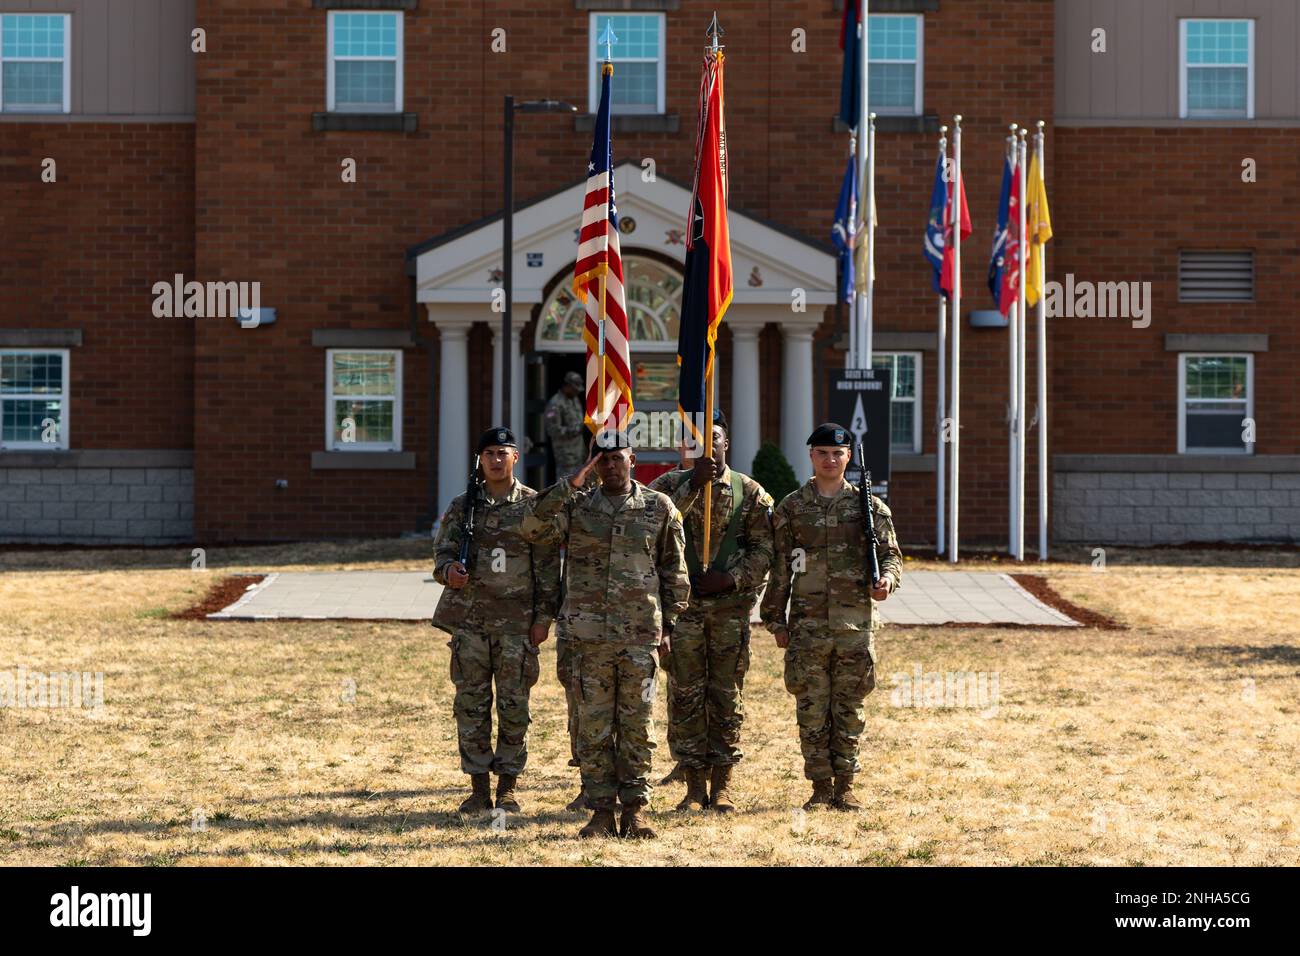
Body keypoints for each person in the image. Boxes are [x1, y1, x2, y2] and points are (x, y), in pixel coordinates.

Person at [519, 430, 690, 839]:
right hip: (587, 638)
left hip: (639, 638)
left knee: (637, 726)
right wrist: (570, 485)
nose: (611, 467)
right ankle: (599, 811)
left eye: (618, 458)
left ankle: (635, 810)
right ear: (592, 463)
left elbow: (675, 573)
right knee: (593, 728)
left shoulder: (657, 507)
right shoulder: (576, 507)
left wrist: (669, 627)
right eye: (602, 460)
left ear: (633, 459)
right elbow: (530, 527)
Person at [760, 422, 903, 812]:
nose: (830, 459)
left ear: (848, 457)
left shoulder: (869, 508)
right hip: (806, 628)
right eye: (822, 452)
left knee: (850, 708)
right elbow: (780, 567)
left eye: (837, 453)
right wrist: (775, 619)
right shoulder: (792, 507)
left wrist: (886, 582)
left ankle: (846, 785)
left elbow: (891, 555)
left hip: (854, 627)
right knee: (811, 708)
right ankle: (820, 787)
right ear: (811, 456)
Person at [648, 414, 774, 812]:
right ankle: (692, 786)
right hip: (682, 614)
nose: (706, 446)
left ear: (726, 444)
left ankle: (722, 784)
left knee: (725, 697)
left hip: (727, 613)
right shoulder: (667, 488)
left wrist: (732, 579)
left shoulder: (749, 492)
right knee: (685, 696)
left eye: (714, 439)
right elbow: (649, 529)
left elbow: (765, 549)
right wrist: (692, 485)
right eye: (696, 440)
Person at [432, 427, 560, 815]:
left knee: (514, 706)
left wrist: (542, 621)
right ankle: (477, 789)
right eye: (489, 453)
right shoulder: (463, 505)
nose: (496, 460)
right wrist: (449, 571)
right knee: (470, 706)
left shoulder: (533, 507)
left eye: (503, 452)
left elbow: (548, 569)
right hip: (471, 625)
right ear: (480, 459)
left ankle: (508, 786)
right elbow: (442, 556)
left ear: (515, 458)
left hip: (517, 626)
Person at [544, 371, 588, 477]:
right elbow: (553, 430)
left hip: (579, 454)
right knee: (566, 486)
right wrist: (576, 429)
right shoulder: (555, 404)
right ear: (567, 386)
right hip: (566, 457)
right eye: (574, 389)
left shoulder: (575, 399)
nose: (577, 392)